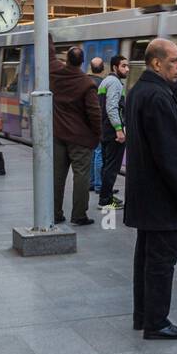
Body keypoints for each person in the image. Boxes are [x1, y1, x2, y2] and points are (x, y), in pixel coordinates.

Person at [124, 38, 177, 340]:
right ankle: (157, 322)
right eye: (174, 61)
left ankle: (144, 316)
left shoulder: (139, 91)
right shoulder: (158, 97)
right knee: (161, 260)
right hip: (161, 196)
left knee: (146, 256)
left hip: (147, 193)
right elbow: (169, 152)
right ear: (157, 63)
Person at [51, 45, 101, 226]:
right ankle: (79, 215)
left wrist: (47, 35)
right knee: (81, 176)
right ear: (82, 62)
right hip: (80, 138)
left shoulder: (56, 76)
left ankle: (55, 213)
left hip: (58, 135)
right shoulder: (87, 83)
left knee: (57, 176)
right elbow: (94, 113)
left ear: (67, 59)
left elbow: (49, 58)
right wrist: (97, 136)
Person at [97, 55, 129, 209]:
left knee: (106, 165)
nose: (127, 69)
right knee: (112, 166)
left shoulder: (105, 81)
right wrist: (119, 129)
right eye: (123, 66)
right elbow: (112, 107)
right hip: (112, 131)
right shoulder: (115, 83)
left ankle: (107, 195)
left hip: (104, 129)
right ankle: (105, 200)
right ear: (115, 67)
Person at [89, 56, 105, 193]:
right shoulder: (104, 84)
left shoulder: (85, 82)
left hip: (86, 124)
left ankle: (91, 182)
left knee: (92, 153)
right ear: (103, 68)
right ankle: (99, 185)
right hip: (99, 123)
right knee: (99, 153)